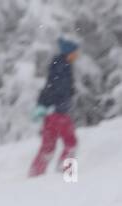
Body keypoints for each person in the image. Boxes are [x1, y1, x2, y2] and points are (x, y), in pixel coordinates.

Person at [29, 37, 81, 177]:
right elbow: (59, 90)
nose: (77, 55)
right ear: (68, 52)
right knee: (71, 143)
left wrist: (42, 105)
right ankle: (68, 173)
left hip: (50, 114)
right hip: (60, 114)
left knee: (48, 147)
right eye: (75, 52)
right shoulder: (63, 68)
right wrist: (67, 95)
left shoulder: (56, 66)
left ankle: (35, 174)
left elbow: (48, 88)